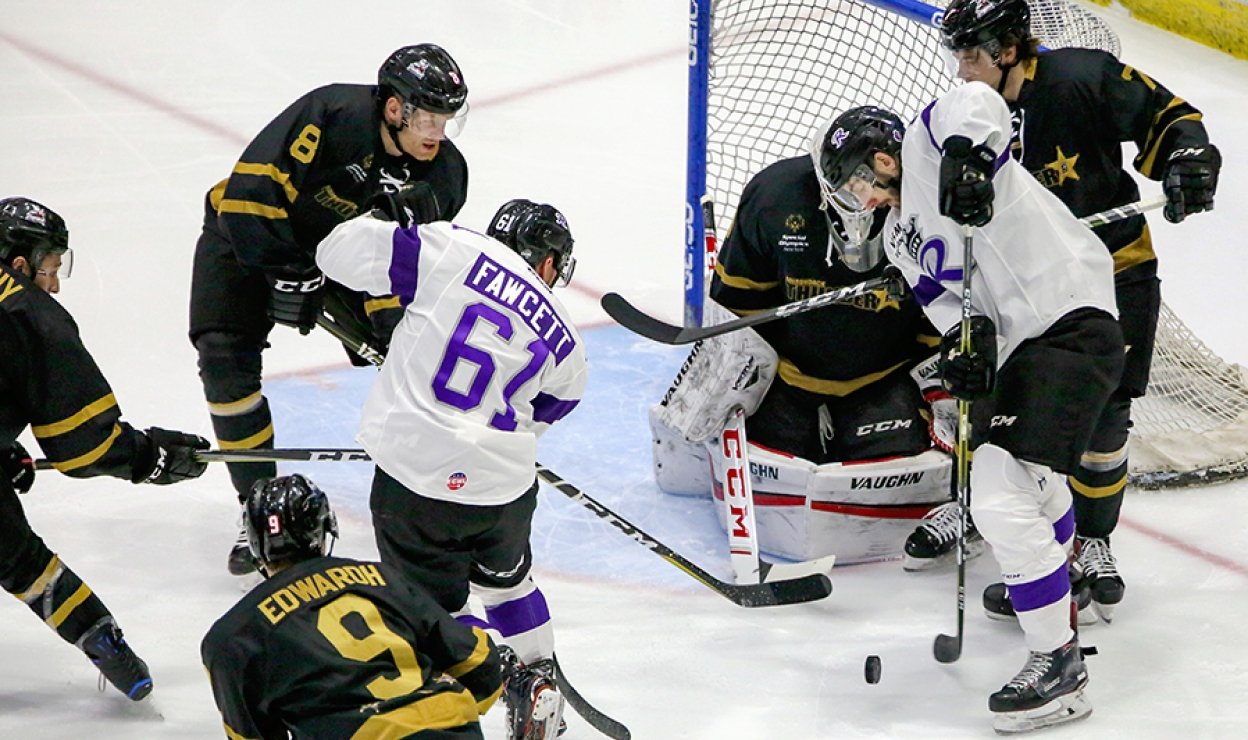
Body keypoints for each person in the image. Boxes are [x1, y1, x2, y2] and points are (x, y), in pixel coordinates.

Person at [818, 87, 1124, 732]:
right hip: (1023, 345)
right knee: (1029, 480)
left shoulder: (929, 147)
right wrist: (966, 348)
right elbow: (954, 314)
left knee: (997, 493)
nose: (861, 201)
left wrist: (964, 161)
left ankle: (1060, 664)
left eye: (855, 183)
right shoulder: (901, 237)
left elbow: (975, 102)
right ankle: (1059, 591)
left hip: (1068, 314)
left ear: (879, 156)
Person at [922, 0, 1222, 622]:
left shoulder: (1082, 77)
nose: (961, 70)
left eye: (971, 54)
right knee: (995, 399)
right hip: (1024, 288)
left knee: (1106, 419)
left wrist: (1187, 160)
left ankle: (1093, 540)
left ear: (1008, 48)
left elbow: (1169, 116)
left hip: (1112, 276)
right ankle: (987, 508)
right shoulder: (969, 119)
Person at [188, 43, 471, 577]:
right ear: (395, 109)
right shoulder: (331, 115)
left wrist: (389, 323)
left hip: (337, 258)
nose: (438, 131)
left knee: (408, 347)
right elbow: (250, 194)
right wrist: (283, 268)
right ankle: (258, 505)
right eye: (429, 117)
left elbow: (403, 261)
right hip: (245, 238)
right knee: (224, 359)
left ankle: (437, 496)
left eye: (446, 119)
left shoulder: (445, 176)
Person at [316, 198, 586, 740]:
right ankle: (540, 688)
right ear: (549, 260)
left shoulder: (453, 250)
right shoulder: (567, 337)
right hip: (503, 491)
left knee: (432, 608)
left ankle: (506, 677)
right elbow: (552, 407)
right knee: (510, 585)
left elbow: (335, 252)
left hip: (416, 480)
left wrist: (382, 221)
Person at [648, 114, 961, 566]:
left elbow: (942, 322)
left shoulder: (927, 214)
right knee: (779, 455)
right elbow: (738, 306)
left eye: (883, 188)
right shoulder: (775, 198)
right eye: (860, 187)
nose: (873, 201)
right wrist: (726, 379)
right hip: (789, 378)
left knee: (891, 460)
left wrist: (940, 385)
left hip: (885, 379)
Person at [0, 196, 211, 701]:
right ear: (21, 265)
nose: (53, 284)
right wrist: (150, 458)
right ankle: (101, 639)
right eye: (51, 270)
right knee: (21, 560)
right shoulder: (32, 314)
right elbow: (82, 447)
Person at [201, 474, 508, 739]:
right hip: (451, 726)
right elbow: (480, 665)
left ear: (254, 546)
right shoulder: (382, 577)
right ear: (324, 529)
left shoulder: (231, 635)